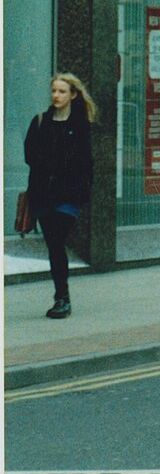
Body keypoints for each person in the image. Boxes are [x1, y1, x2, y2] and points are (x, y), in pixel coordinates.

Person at [23, 73, 97, 319]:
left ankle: (62, 298)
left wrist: (80, 188)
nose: (56, 95)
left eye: (62, 91)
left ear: (73, 95)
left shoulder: (81, 126)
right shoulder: (40, 121)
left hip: (68, 197)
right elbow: (29, 155)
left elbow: (86, 163)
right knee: (54, 246)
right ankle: (62, 298)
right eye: (54, 90)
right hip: (42, 195)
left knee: (56, 241)